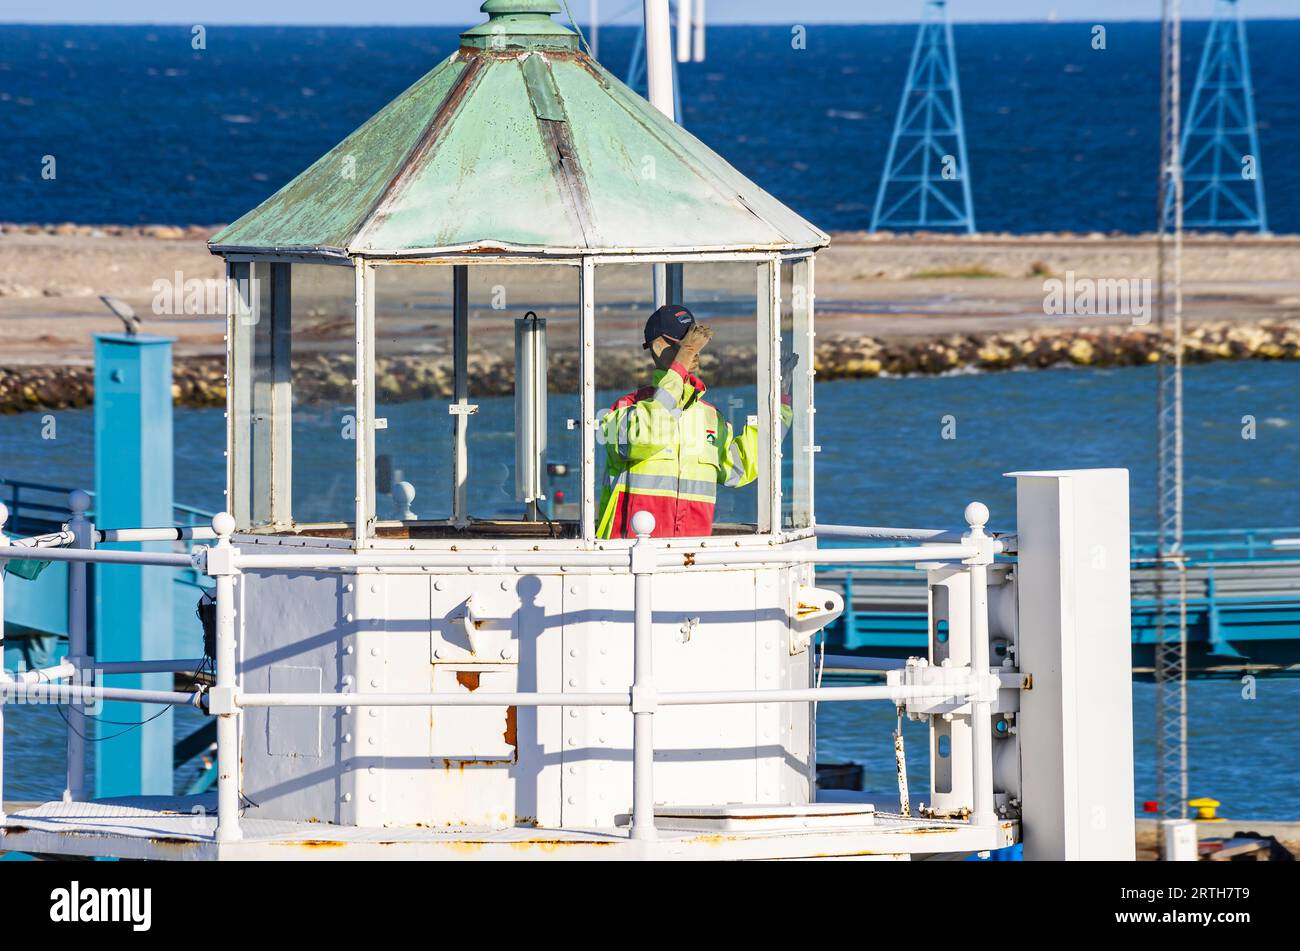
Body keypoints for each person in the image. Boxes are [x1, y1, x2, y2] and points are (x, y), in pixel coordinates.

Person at [596, 303, 793, 539]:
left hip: (690, 555)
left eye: (698, 344)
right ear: (658, 347)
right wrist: (681, 364)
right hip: (629, 555)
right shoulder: (625, 409)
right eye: (686, 344)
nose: (695, 352)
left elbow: (739, 469)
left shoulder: (710, 416)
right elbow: (647, 435)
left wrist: (781, 404)